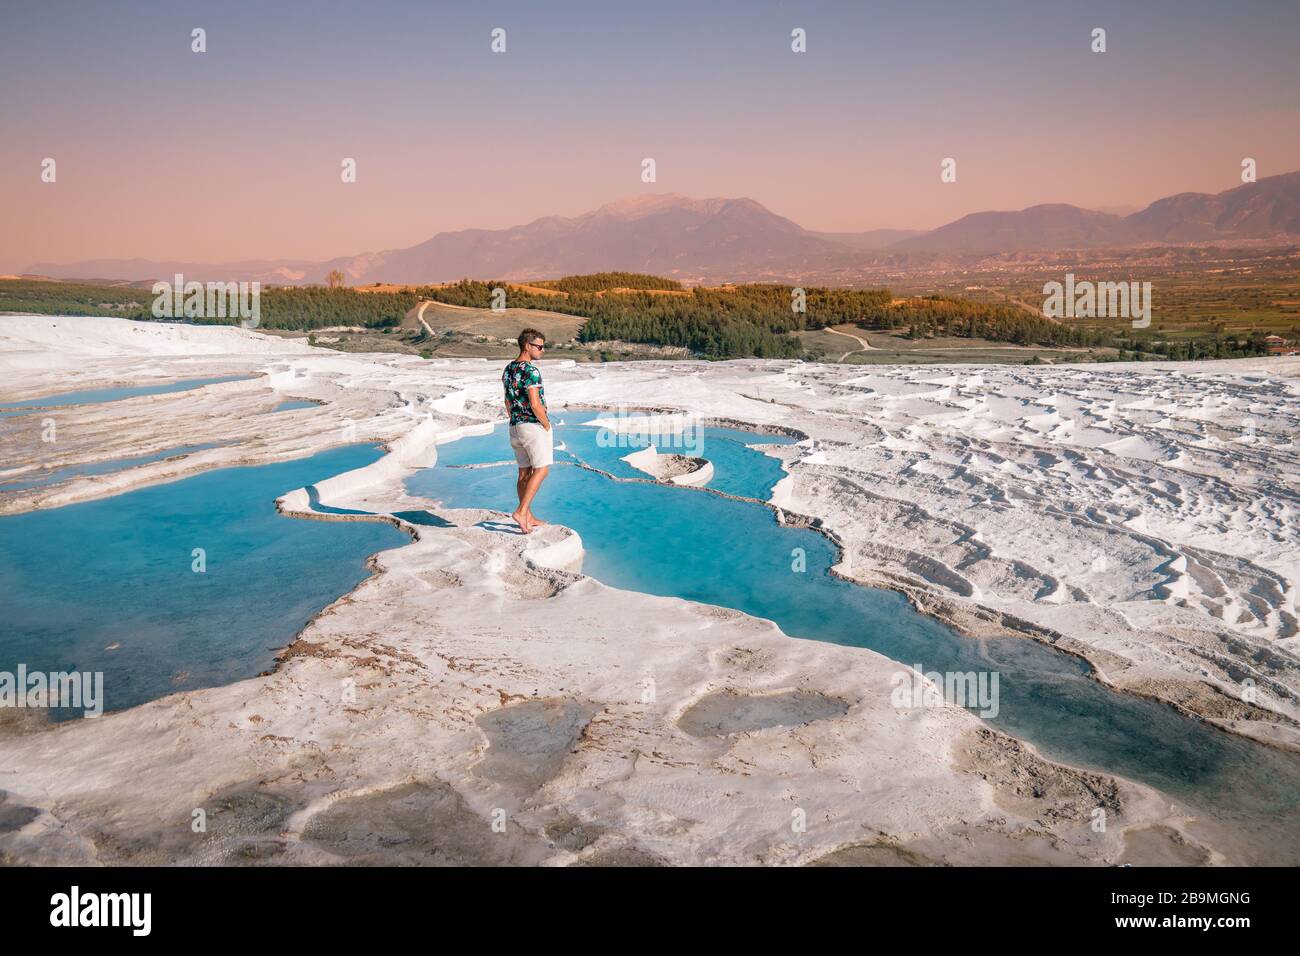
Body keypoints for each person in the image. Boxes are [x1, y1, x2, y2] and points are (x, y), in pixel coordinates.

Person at [502, 328, 552, 533]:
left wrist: (514, 418)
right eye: (539, 346)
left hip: (515, 426)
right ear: (527, 346)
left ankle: (528, 515)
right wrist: (546, 423)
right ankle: (521, 512)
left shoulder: (508, 369)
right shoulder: (531, 371)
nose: (542, 350)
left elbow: (507, 400)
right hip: (532, 426)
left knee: (524, 472)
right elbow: (534, 403)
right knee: (542, 469)